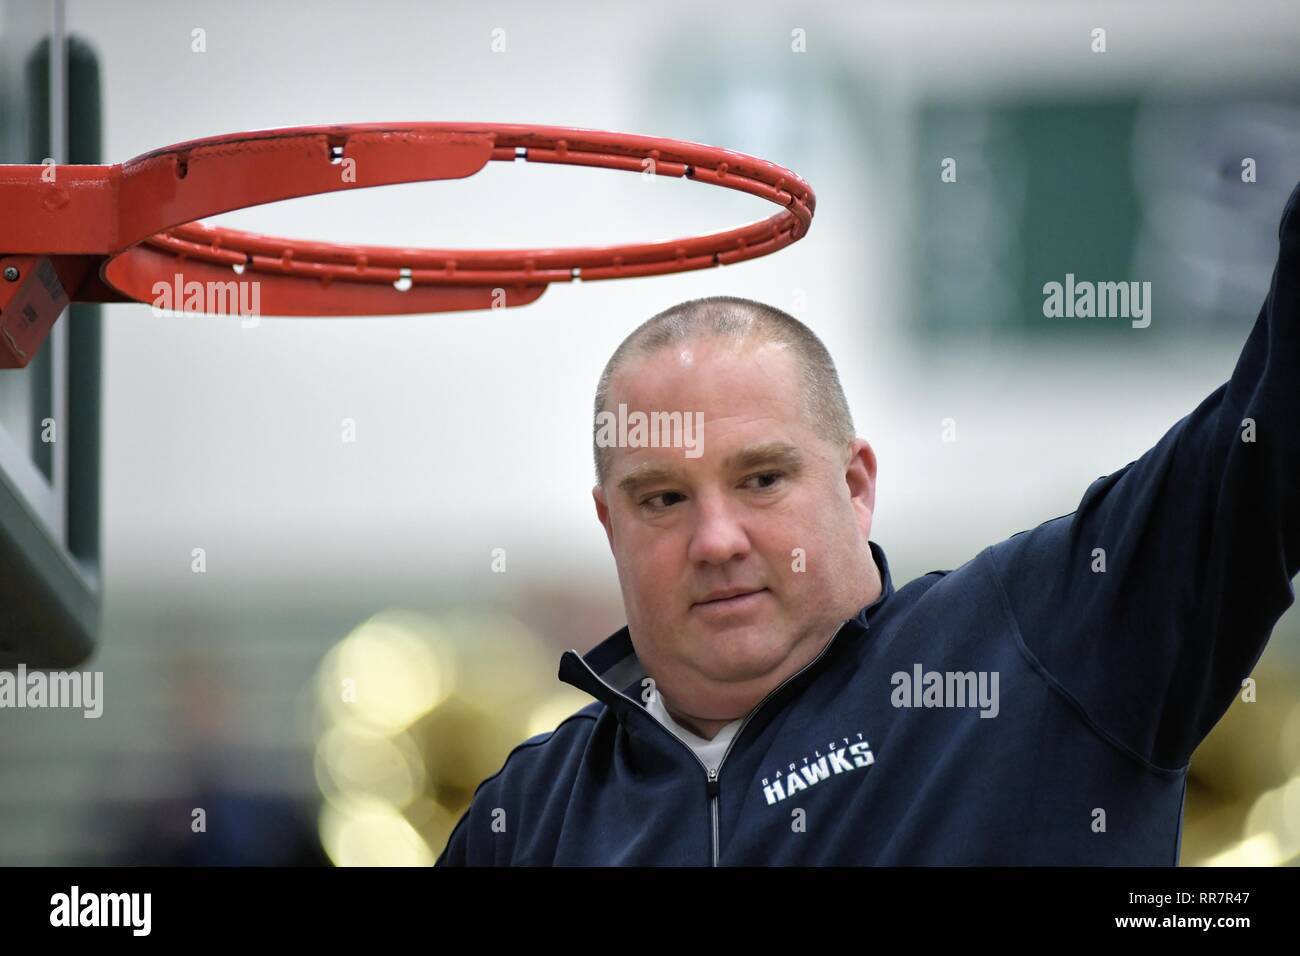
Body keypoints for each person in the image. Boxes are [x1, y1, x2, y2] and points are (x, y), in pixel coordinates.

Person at [436, 181, 1300, 866]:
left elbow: (1273, 427)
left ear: (854, 486)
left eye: (762, 479)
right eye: (662, 498)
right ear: (608, 523)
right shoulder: (527, 819)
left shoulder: (1043, 634)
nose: (717, 540)